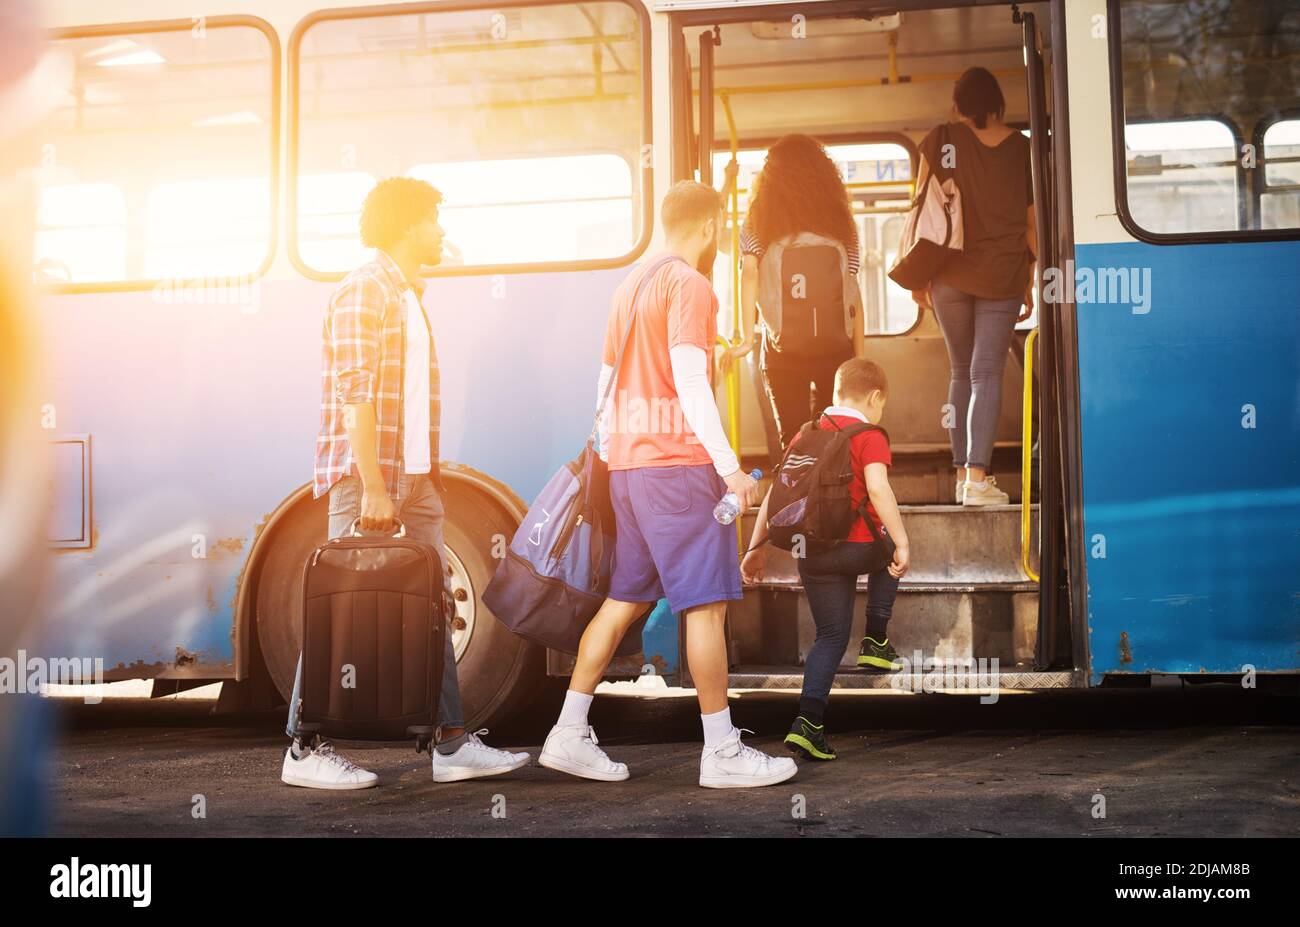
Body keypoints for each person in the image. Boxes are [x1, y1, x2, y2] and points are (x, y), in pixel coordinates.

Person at [537, 181, 798, 789]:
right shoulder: (692, 284)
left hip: (629, 469)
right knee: (705, 607)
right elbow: (687, 379)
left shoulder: (629, 286)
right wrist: (730, 466)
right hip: (678, 472)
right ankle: (722, 751)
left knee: (625, 599)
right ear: (708, 227)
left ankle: (569, 732)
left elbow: (609, 380)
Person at [285, 177, 529, 789]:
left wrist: (421, 481)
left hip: (417, 482)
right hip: (373, 481)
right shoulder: (364, 292)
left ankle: (450, 742)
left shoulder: (406, 295)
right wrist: (373, 486)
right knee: (341, 612)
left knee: (433, 609)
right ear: (405, 223)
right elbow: (355, 396)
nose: (441, 230)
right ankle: (303, 749)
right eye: (433, 218)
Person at [741, 358, 910, 761]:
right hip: (856, 550)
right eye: (880, 405)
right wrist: (903, 542)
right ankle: (875, 639)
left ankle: (808, 724)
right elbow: (879, 489)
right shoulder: (870, 435)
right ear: (875, 397)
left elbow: (774, 496)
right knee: (890, 541)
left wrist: (754, 549)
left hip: (811, 553)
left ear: (835, 393)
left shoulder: (804, 434)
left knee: (829, 638)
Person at [913, 67, 1037, 506]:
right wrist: (1033, 276)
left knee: (960, 370)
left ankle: (965, 474)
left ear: (957, 105)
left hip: (948, 272)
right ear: (998, 104)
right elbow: (1030, 221)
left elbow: (923, 204)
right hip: (1002, 273)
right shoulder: (1022, 148)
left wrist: (920, 272)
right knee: (987, 373)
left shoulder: (942, 138)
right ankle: (978, 482)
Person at [720, 134, 864, 448]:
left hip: (782, 350)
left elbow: (749, 274)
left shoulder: (759, 223)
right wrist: (859, 357)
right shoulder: (841, 225)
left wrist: (746, 339)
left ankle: (797, 494)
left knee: (794, 439)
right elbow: (853, 291)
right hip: (836, 349)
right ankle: (831, 495)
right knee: (833, 437)